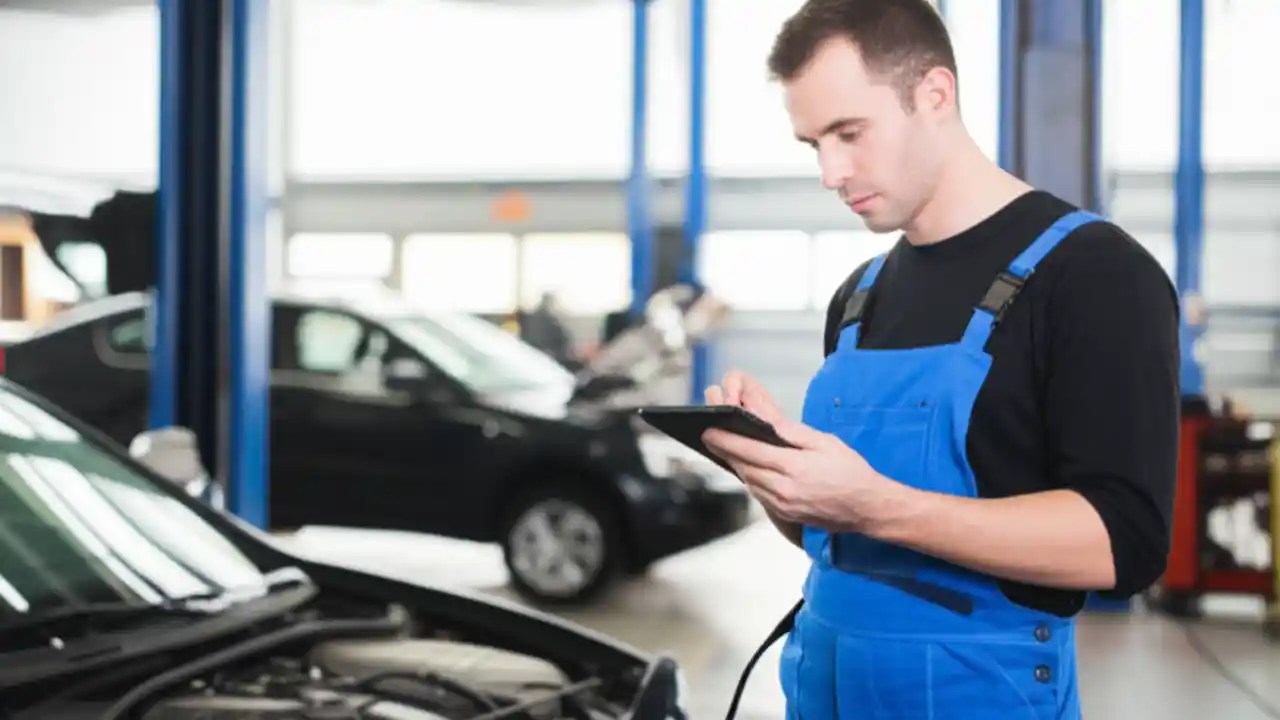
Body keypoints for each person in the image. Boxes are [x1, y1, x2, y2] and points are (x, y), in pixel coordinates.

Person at [701, 1, 1180, 718]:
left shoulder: (1095, 275)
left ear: (934, 94)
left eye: (849, 133)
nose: (831, 172)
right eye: (813, 145)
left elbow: (1126, 545)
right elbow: (839, 541)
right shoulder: (857, 298)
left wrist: (877, 506)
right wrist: (778, 476)